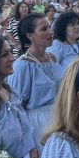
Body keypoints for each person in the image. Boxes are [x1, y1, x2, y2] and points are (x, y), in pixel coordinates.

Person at [9, 14, 64, 150]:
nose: (50, 32)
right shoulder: (22, 66)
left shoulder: (52, 58)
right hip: (38, 126)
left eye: (49, 27)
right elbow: (15, 108)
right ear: (30, 35)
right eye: (44, 29)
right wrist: (27, 144)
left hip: (60, 118)